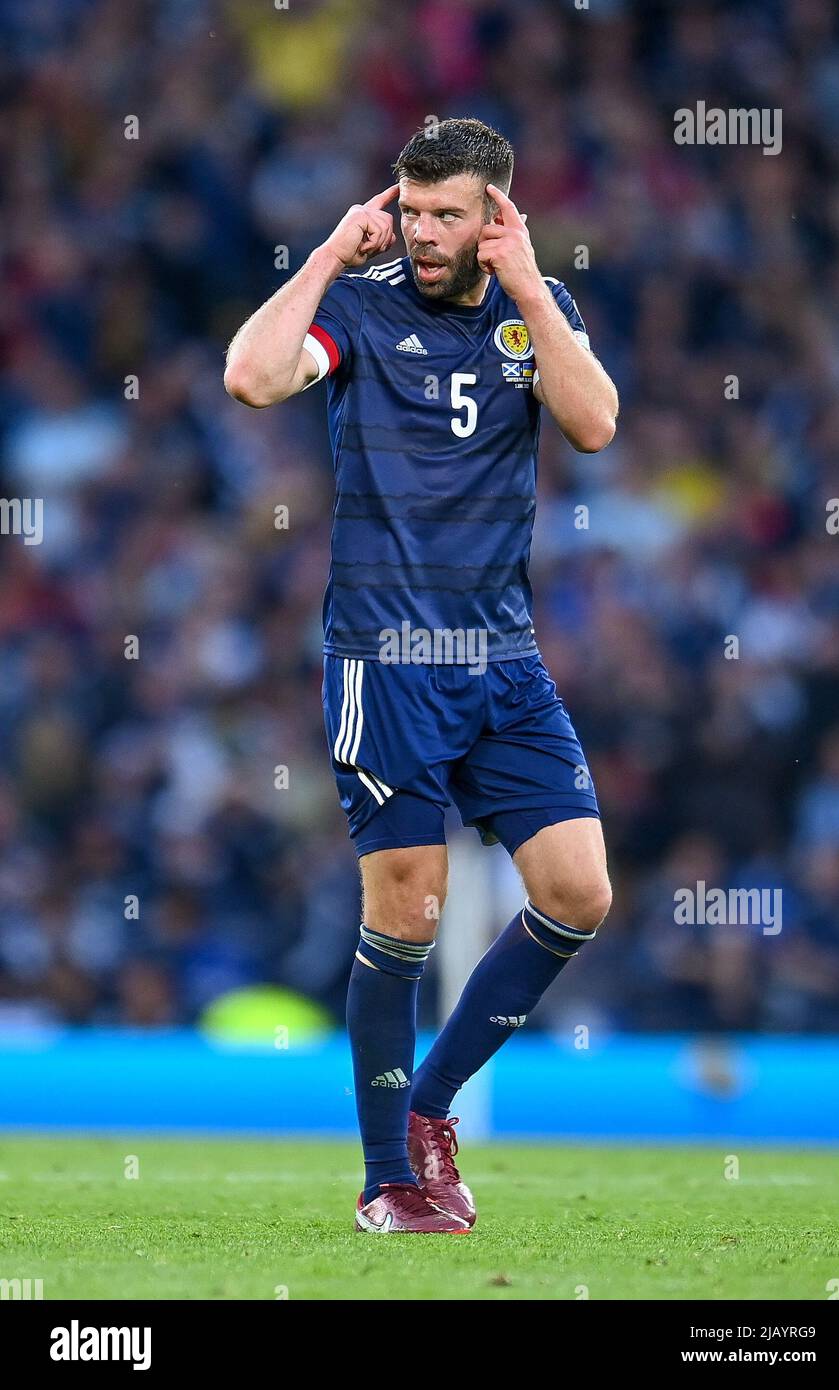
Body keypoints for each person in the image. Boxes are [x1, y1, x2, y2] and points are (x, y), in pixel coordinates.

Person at [225, 117, 618, 1233]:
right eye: (409, 208)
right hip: (384, 660)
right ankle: (387, 1177)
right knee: (407, 906)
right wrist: (326, 256)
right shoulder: (358, 300)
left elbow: (592, 423)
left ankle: (432, 1109)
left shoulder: (531, 315)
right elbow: (251, 379)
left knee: (579, 891)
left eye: (447, 213)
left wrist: (533, 287)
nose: (422, 231)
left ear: (495, 215)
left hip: (501, 659)